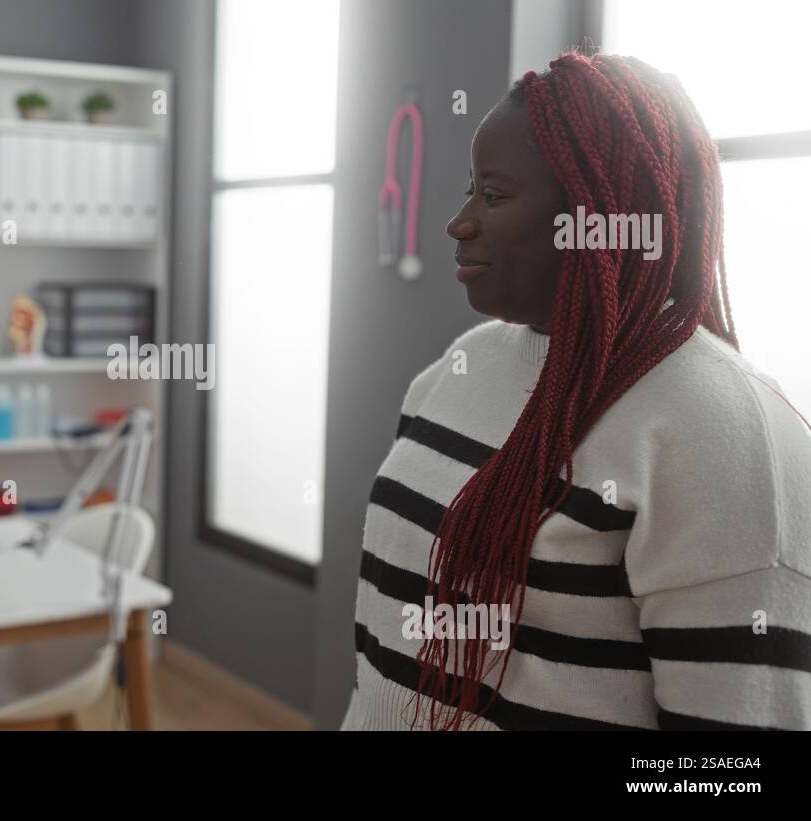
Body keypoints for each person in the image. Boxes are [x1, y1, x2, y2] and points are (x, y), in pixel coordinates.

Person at [342, 50, 811, 730]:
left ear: (597, 215)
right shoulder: (456, 370)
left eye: (494, 195)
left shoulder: (729, 439)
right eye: (471, 189)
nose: (459, 221)